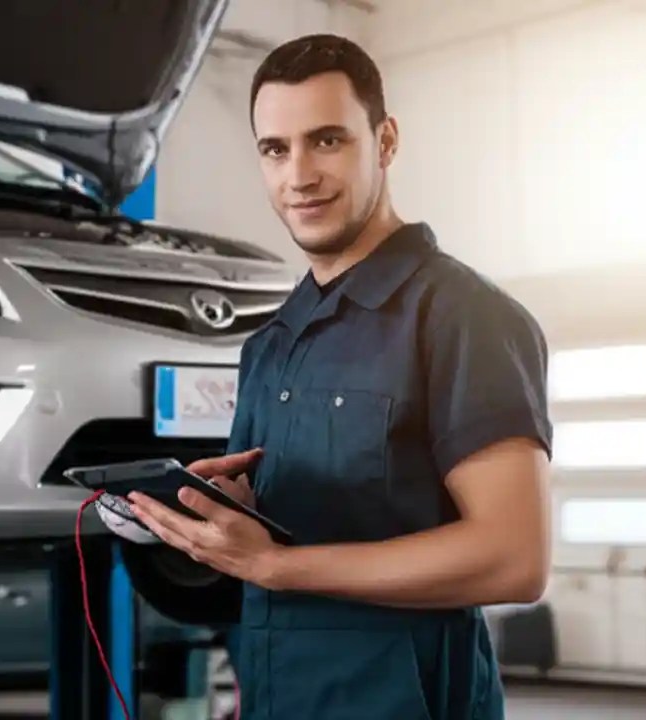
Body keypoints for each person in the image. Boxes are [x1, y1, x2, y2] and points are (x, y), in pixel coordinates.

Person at [128, 33, 552, 720]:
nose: (299, 175)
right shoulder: (269, 344)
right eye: (275, 149)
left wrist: (279, 567)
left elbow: (514, 558)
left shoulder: (463, 317)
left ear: (385, 142)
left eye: (327, 141)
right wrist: (220, 518)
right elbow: (263, 555)